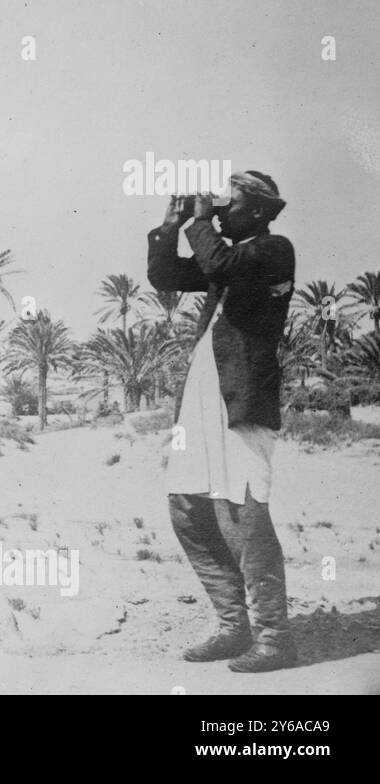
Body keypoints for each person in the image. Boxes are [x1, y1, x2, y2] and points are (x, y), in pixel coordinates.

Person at [146, 171, 297, 673]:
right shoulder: (229, 261)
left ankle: (274, 638)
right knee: (187, 507)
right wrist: (171, 226)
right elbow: (167, 278)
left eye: (228, 202)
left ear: (256, 209)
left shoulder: (271, 250)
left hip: (243, 400)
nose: (218, 209)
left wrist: (202, 220)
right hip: (204, 397)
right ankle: (234, 627)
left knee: (244, 514)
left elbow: (218, 261)